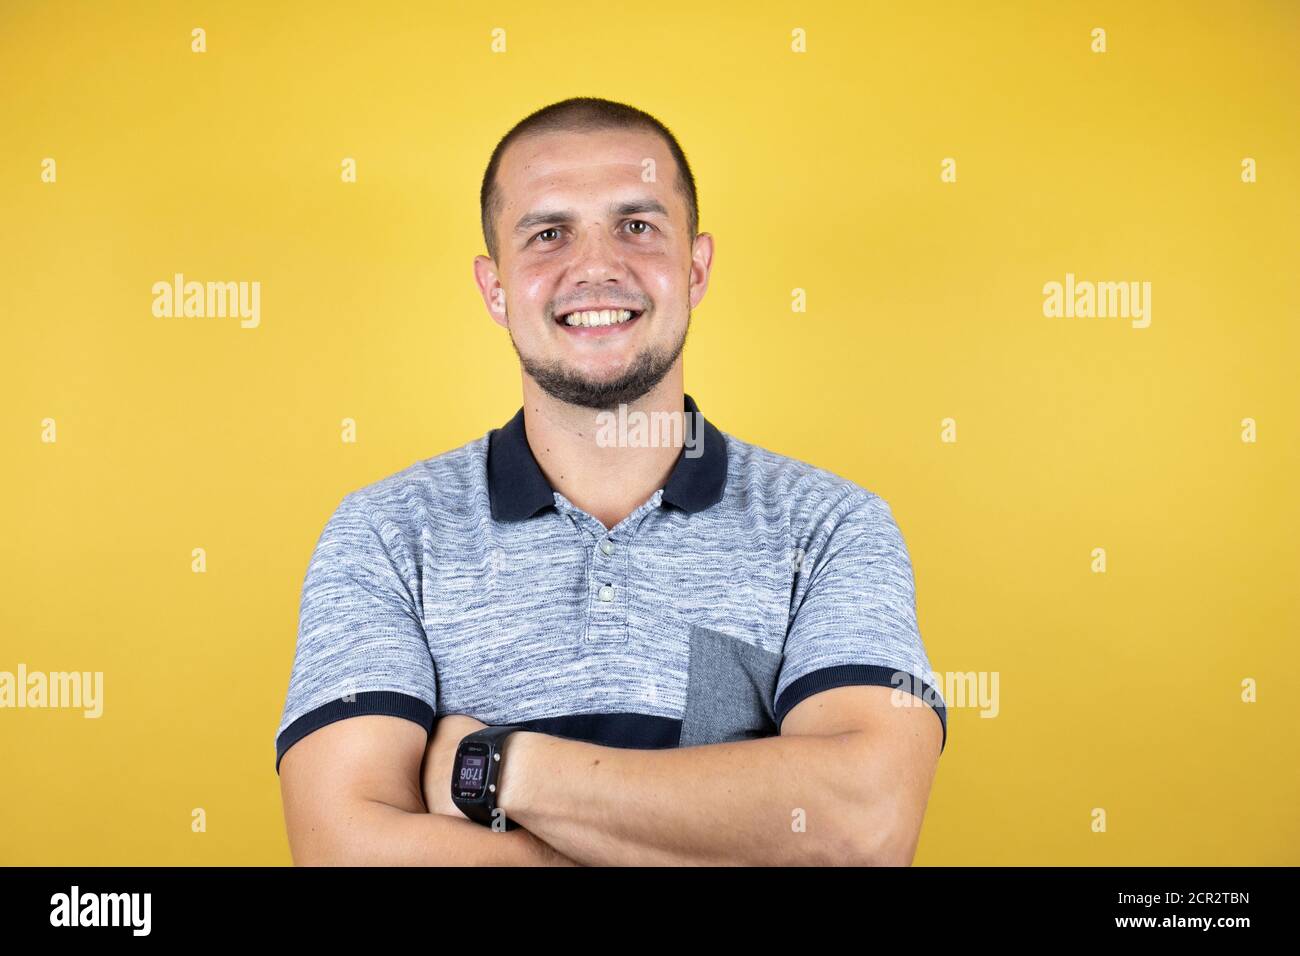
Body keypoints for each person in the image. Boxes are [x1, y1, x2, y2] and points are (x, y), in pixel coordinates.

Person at [276, 97, 946, 866]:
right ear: (494, 289)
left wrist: (494, 766)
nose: (595, 267)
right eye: (548, 233)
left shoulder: (831, 527)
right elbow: (344, 854)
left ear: (695, 268)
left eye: (637, 226)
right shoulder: (384, 535)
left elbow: (861, 829)